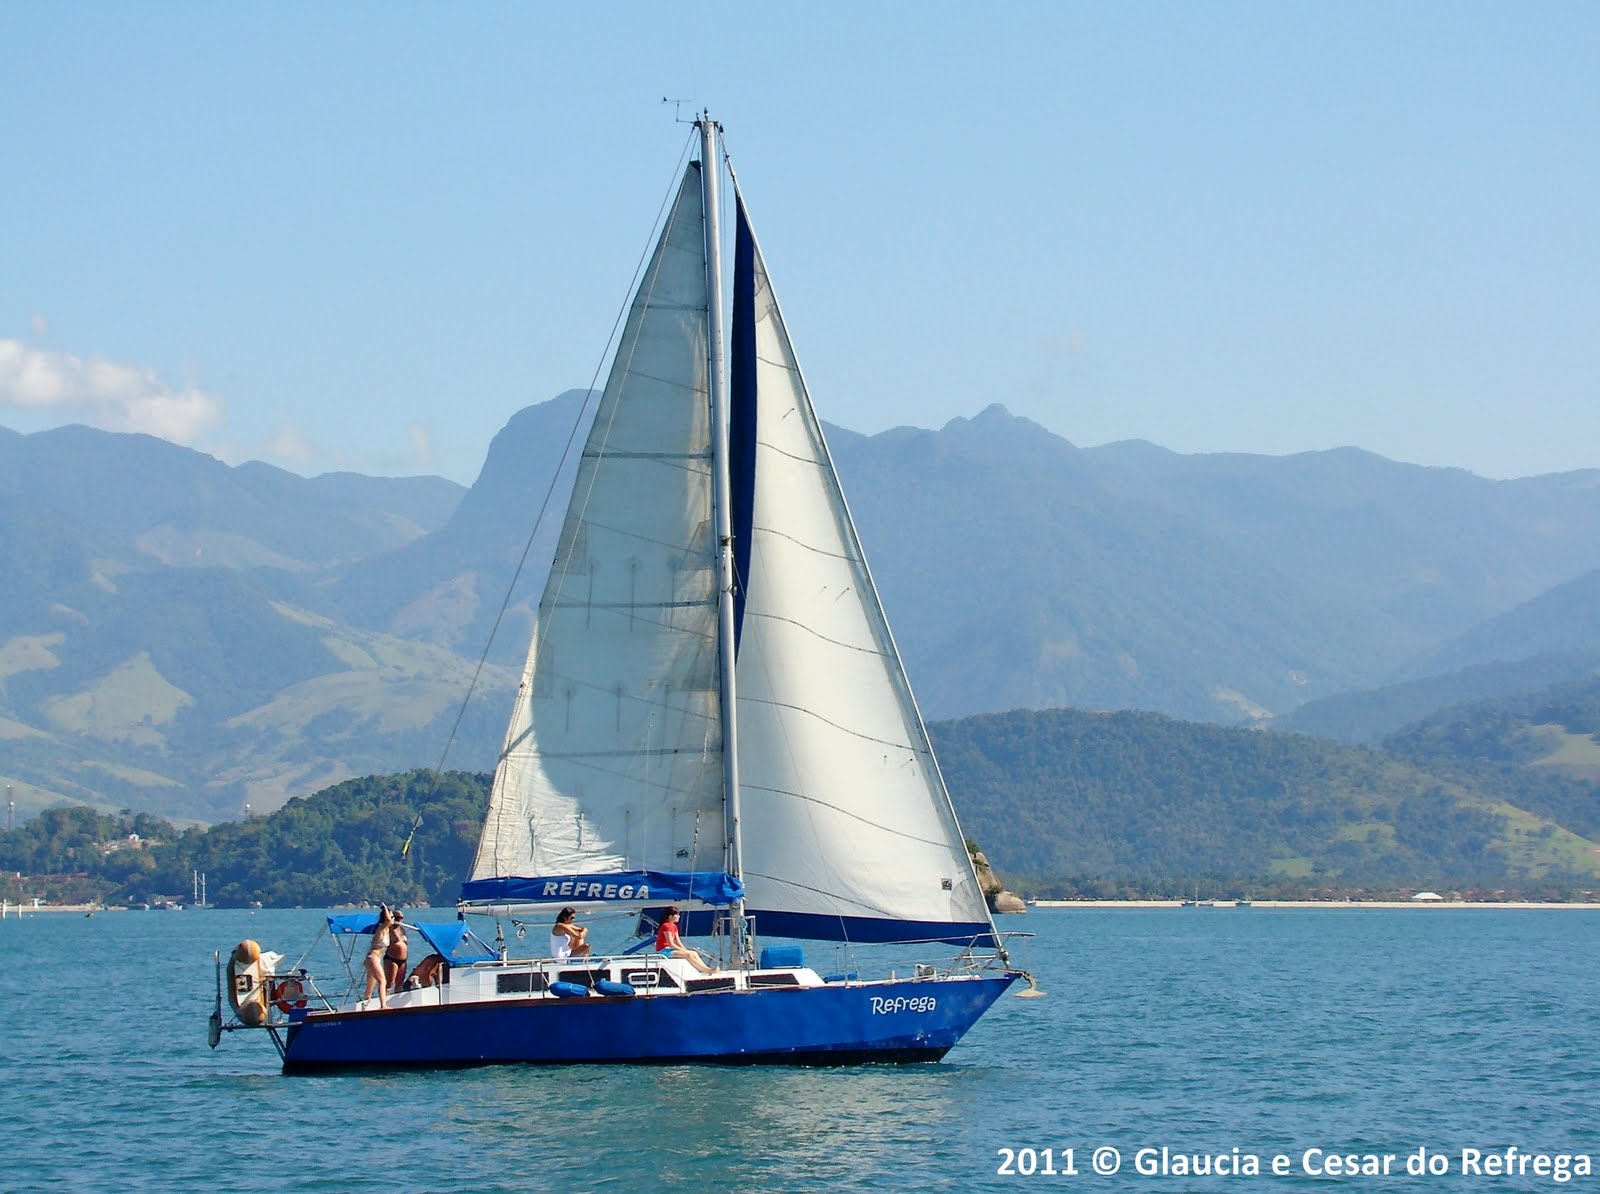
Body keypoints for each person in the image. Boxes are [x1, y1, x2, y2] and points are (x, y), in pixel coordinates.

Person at [654, 906, 717, 974]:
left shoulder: (674, 926)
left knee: (693, 953)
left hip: (671, 949)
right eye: (677, 915)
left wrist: (685, 949)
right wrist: (684, 951)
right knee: (689, 955)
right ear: (670, 916)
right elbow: (671, 944)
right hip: (664, 951)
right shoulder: (666, 926)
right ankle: (707, 970)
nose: (679, 916)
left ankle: (707, 968)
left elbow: (678, 941)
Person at [362, 904, 395, 1006]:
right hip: (373, 958)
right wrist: (384, 908)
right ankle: (383, 1006)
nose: (393, 919)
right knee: (382, 981)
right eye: (392, 917)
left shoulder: (387, 931)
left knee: (370, 987)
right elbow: (388, 921)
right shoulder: (380, 929)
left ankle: (364, 1006)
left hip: (374, 959)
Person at [384, 912, 409, 990]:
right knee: (390, 983)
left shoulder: (402, 929)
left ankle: (396, 1000)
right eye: (397, 918)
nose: (400, 920)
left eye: (401, 918)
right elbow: (397, 939)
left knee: (399, 984)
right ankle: (384, 1000)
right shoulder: (389, 929)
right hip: (392, 959)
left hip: (403, 960)